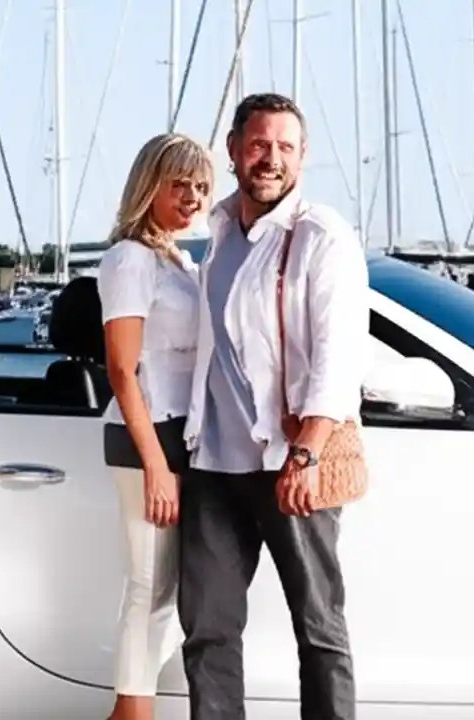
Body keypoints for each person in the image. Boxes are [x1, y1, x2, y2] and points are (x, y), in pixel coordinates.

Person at [179, 93, 369, 719]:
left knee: (318, 630)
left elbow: (338, 359)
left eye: (286, 147)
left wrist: (308, 452)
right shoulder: (218, 231)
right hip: (213, 463)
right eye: (259, 144)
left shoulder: (322, 237)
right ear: (233, 149)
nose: (271, 159)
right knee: (208, 630)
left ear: (303, 156)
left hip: (290, 462)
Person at [98, 132, 212, 720]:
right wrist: (157, 465)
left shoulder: (176, 257)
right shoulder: (129, 259)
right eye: (179, 184)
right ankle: (133, 712)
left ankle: (128, 712)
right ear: (150, 186)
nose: (192, 196)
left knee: (169, 589)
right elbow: (122, 369)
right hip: (146, 437)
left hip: (177, 434)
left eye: (200, 185)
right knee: (148, 585)